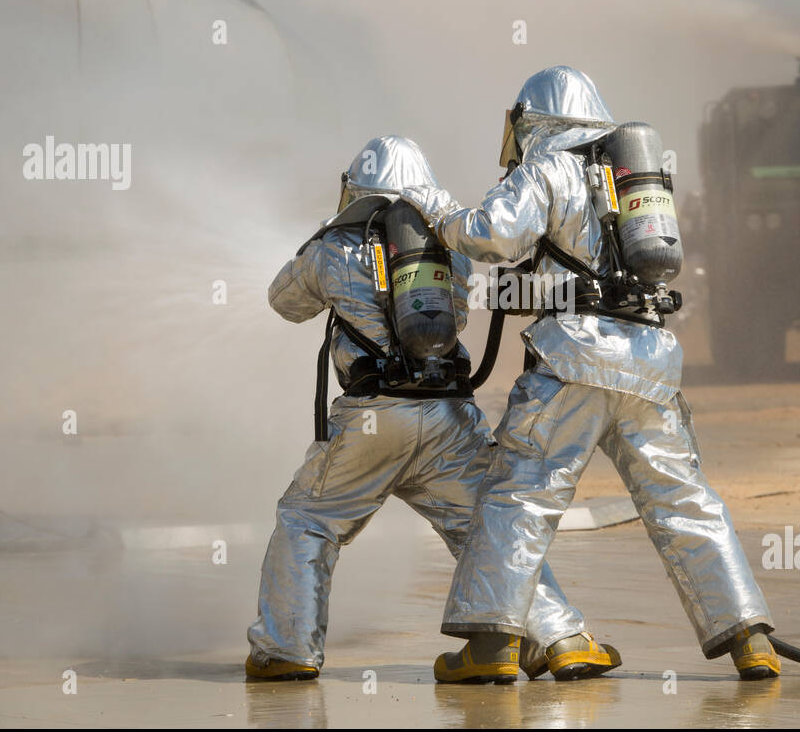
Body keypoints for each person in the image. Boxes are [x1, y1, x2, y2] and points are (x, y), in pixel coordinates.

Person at [399, 67, 780, 684]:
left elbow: (491, 237)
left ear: (535, 120)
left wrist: (438, 211)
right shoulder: (627, 172)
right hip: (650, 363)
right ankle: (750, 638)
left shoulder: (547, 167)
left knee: (519, 494)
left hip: (574, 359)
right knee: (683, 501)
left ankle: (493, 648)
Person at [245, 135, 619, 683]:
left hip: (373, 419)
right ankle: (560, 638)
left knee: (308, 520)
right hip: (449, 418)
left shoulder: (333, 248)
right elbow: (457, 314)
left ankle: (286, 649)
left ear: (355, 189)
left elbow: (284, 302)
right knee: (490, 531)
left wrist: (321, 246)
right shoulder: (452, 248)